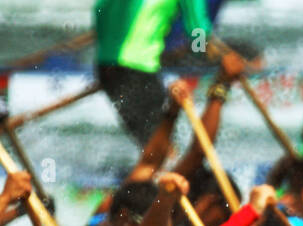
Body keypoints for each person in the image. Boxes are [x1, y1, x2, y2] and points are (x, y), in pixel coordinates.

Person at [93, 0, 229, 144]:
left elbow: (100, 9)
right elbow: (197, 29)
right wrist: (203, 54)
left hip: (106, 66)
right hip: (139, 68)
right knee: (161, 146)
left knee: (148, 140)